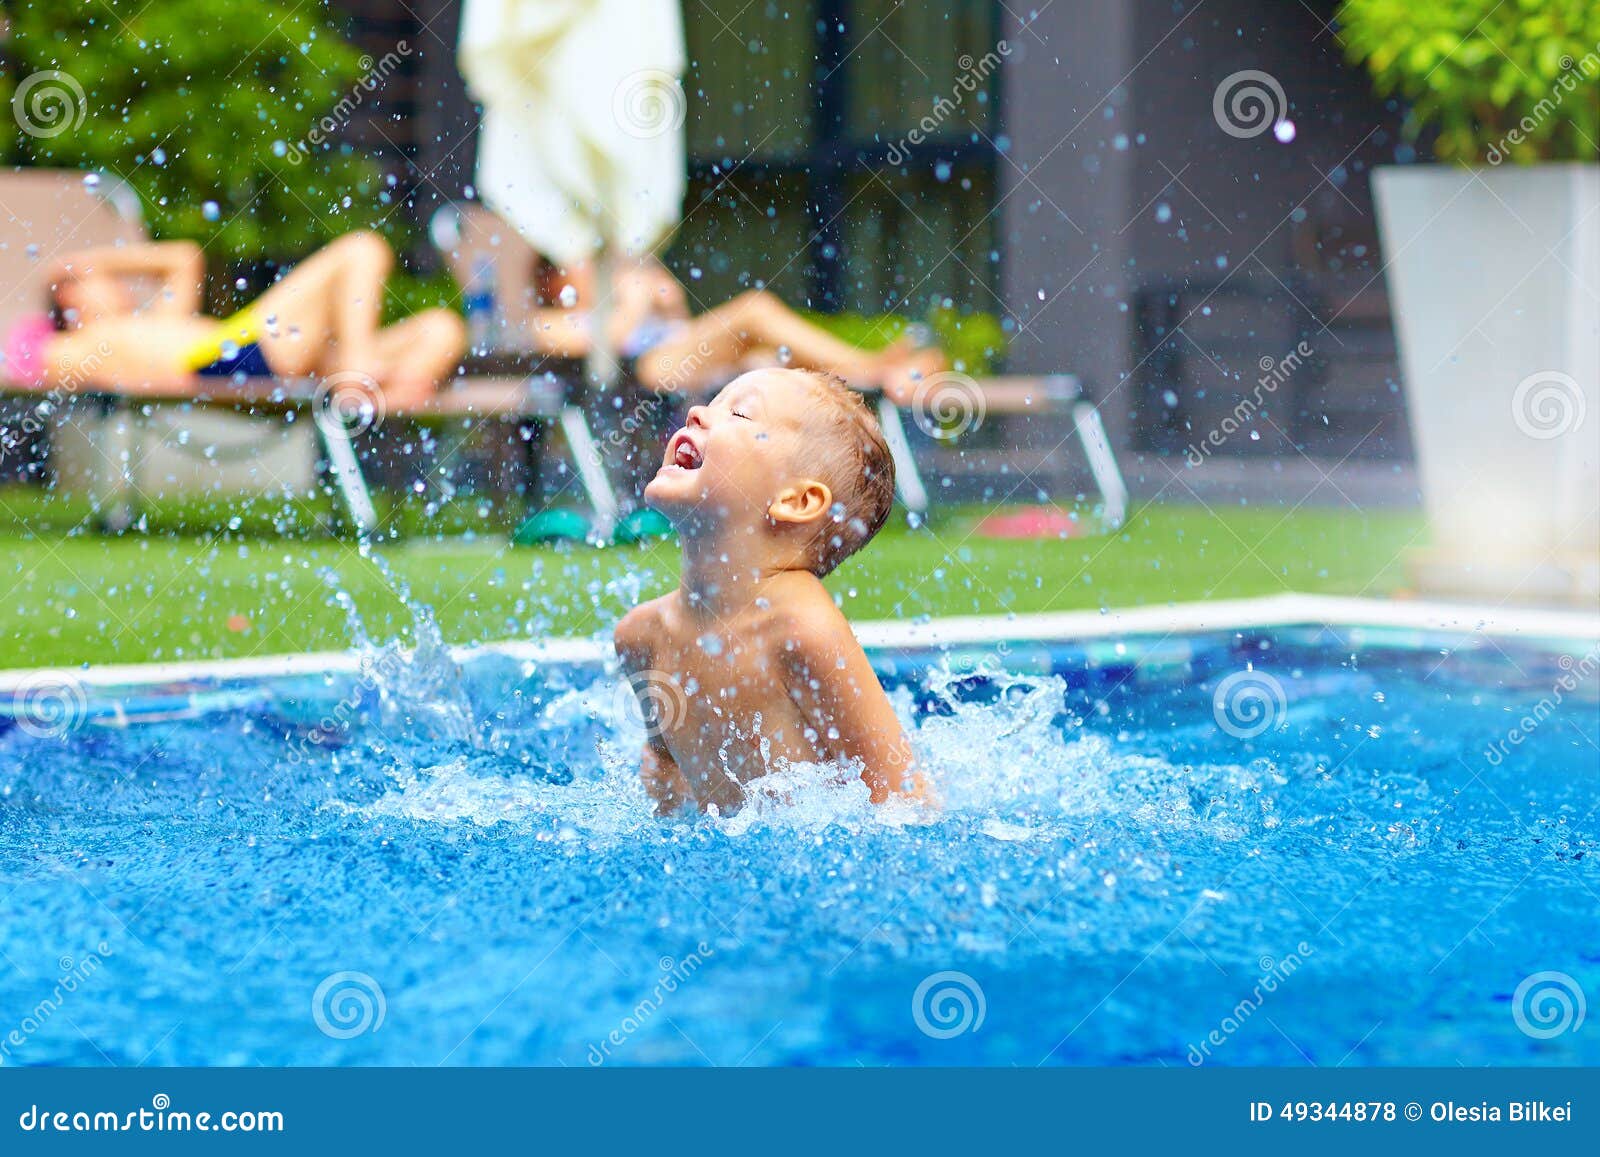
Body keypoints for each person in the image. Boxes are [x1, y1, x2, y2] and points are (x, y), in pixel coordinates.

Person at [613, 366, 924, 815]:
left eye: (739, 414)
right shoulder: (640, 637)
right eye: (713, 402)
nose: (697, 413)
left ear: (796, 501)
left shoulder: (802, 630)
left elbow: (903, 796)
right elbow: (665, 774)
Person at [4, 232, 465, 408]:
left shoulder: (159, 320)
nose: (119, 284)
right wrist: (73, 272)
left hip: (250, 353)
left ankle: (368, 401)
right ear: (69, 299)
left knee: (442, 328)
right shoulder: (76, 345)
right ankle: (356, 380)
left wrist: (92, 254)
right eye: (99, 278)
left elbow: (184, 257)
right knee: (362, 249)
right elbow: (24, 366)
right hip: (224, 359)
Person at [520, 257, 944, 404]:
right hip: (644, 375)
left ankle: (881, 375)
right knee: (753, 310)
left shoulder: (617, 295)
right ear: (553, 281)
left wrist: (665, 301)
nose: (596, 268)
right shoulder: (546, 322)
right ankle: (872, 367)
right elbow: (605, 348)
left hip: (680, 361)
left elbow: (678, 325)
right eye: (579, 263)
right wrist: (633, 300)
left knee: (773, 356)